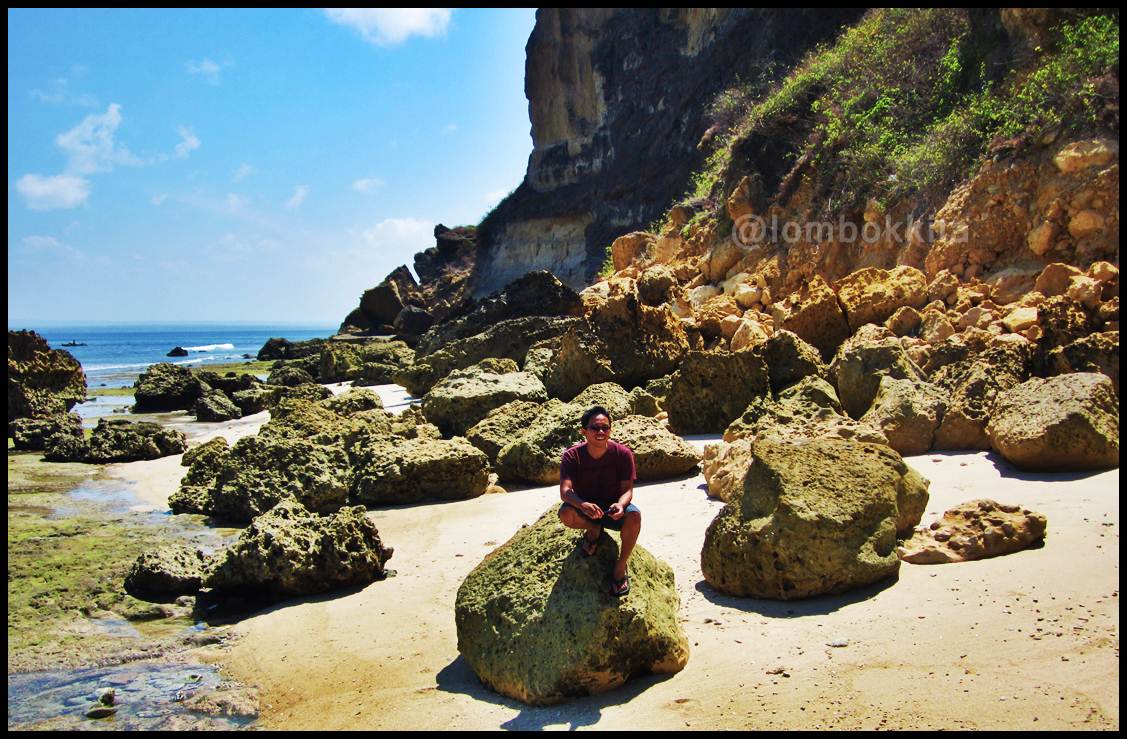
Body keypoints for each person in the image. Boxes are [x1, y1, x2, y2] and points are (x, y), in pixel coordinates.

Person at [558, 405, 641, 597]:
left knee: (635, 516)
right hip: (585, 508)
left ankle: (620, 568)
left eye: (605, 427)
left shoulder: (623, 454)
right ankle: (593, 528)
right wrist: (582, 505)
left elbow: (627, 490)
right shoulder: (572, 456)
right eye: (595, 428)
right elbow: (565, 491)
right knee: (566, 513)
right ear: (584, 431)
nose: (601, 432)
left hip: (612, 509)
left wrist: (620, 505)